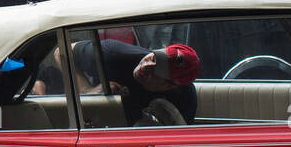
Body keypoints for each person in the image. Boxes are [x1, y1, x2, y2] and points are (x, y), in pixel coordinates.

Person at [71, 38, 200, 124]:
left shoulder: (185, 100)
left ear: (168, 86)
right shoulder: (114, 55)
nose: (144, 66)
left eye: (153, 70)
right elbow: (62, 52)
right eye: (154, 58)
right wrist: (88, 91)